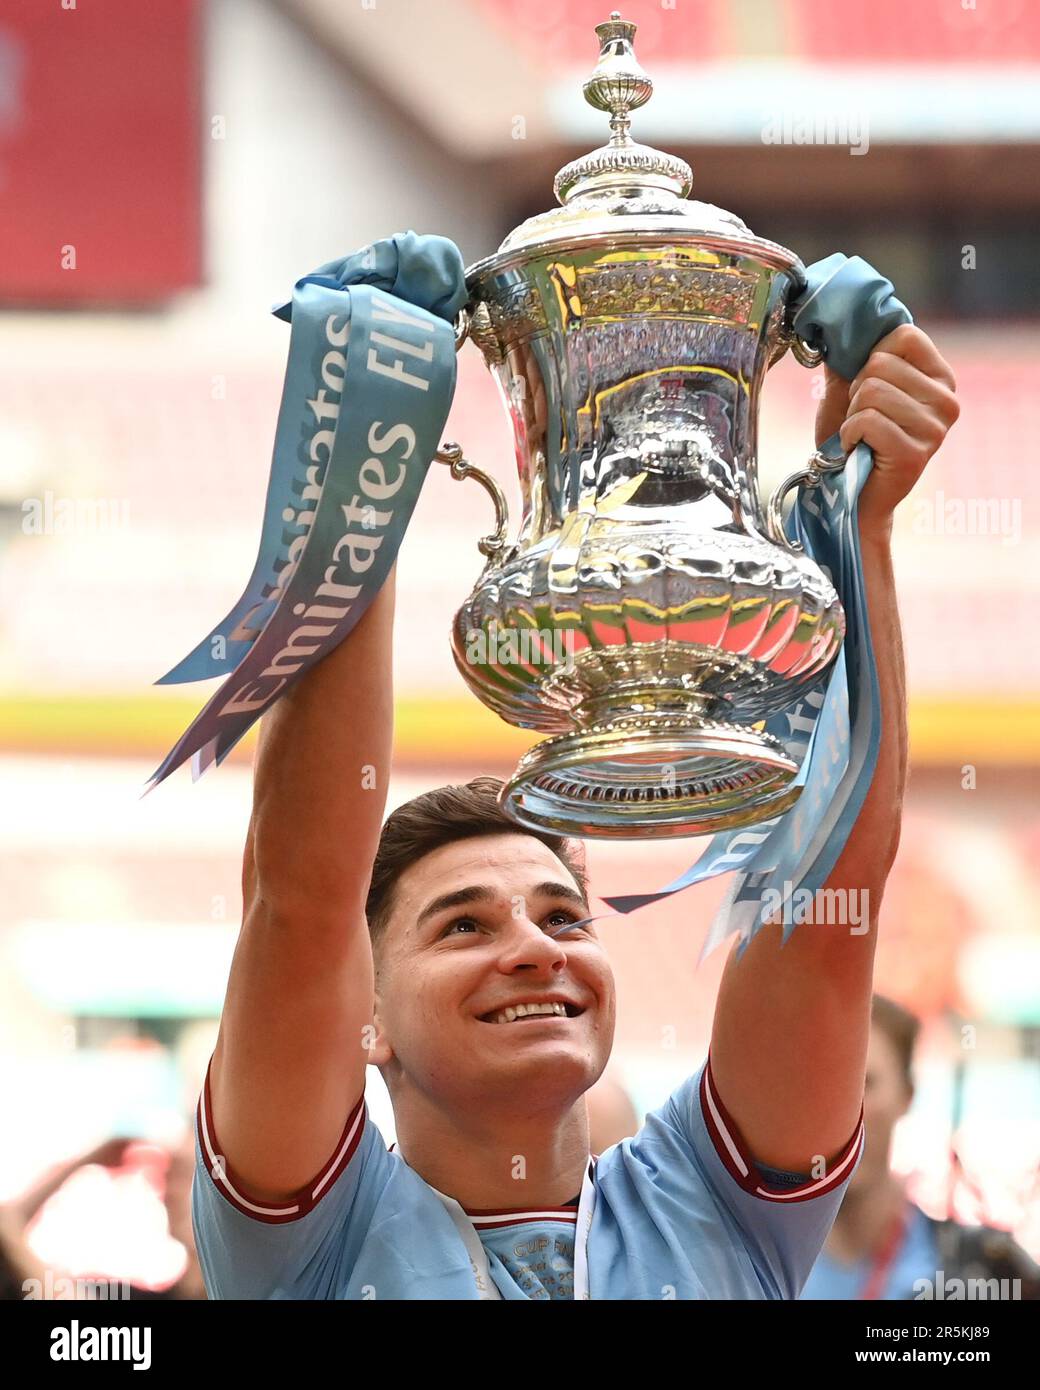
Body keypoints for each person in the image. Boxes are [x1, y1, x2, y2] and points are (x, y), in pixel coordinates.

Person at [191, 326, 960, 1299]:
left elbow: (824, 904)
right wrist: (365, 466)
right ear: (365, 1016)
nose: (535, 947)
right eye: (461, 922)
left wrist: (858, 516)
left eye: (562, 915)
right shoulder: (311, 1237)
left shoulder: (709, 1199)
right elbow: (300, 906)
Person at [802, 995, 1040, 1300]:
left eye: (865, 1083)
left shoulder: (984, 1269)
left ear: (907, 1095)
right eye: (823, 1084)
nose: (842, 1110)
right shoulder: (749, 1265)